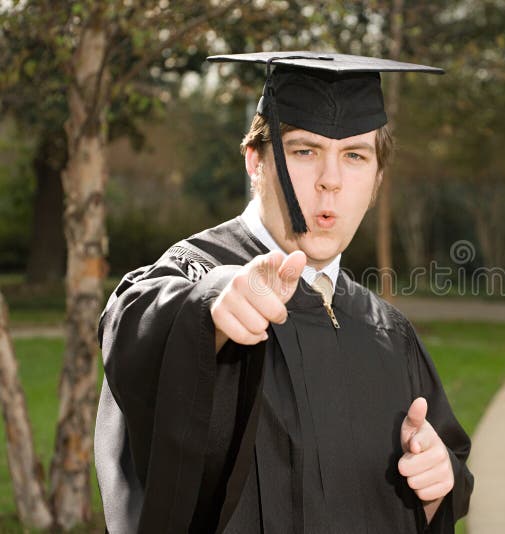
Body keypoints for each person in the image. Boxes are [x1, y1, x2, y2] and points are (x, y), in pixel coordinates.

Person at [94, 52, 474, 534]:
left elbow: (450, 468)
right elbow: (134, 319)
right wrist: (210, 308)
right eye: (304, 151)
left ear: (377, 181)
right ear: (255, 160)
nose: (330, 181)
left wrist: (438, 479)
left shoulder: (387, 331)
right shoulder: (201, 273)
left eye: (355, 156)